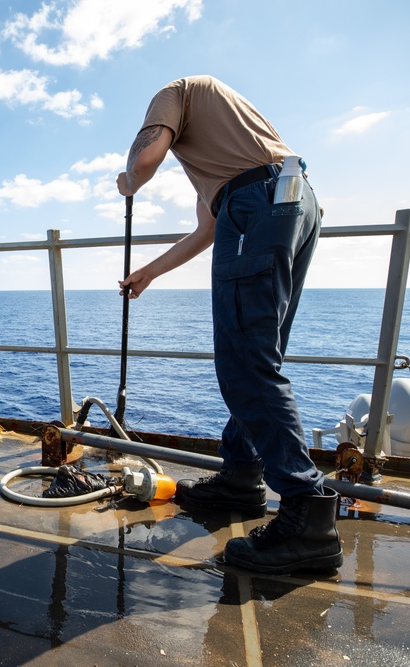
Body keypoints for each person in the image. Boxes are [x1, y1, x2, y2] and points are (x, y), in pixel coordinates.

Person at [116, 76, 342, 575]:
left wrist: (128, 179)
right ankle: (241, 476)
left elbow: (144, 162)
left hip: (259, 207)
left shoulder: (175, 91)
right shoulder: (233, 141)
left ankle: (308, 513)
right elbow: (208, 229)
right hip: (291, 202)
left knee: (244, 363)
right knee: (260, 353)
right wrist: (148, 273)